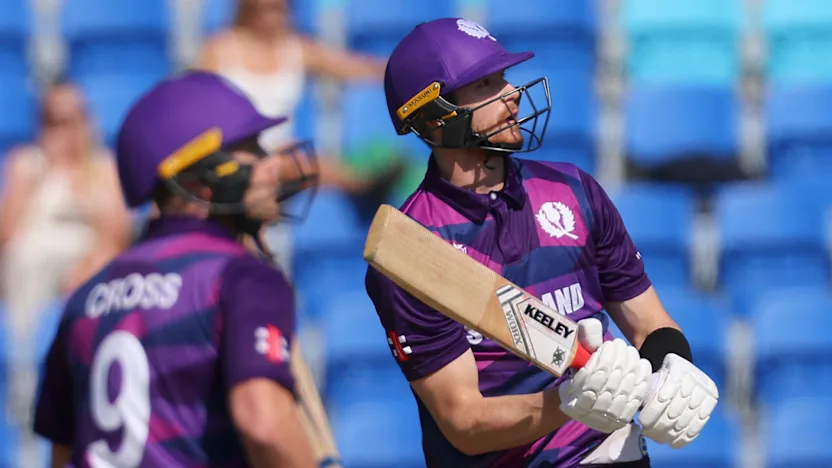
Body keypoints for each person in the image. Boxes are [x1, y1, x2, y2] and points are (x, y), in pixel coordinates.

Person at [365, 18, 720, 467]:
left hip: (608, 452)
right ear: (437, 118)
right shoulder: (413, 247)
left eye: (505, 79)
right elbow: (465, 424)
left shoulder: (574, 189)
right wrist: (569, 401)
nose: (511, 94)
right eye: (486, 85)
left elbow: (649, 321)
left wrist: (672, 367)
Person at [32, 70, 319, 468]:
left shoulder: (84, 299)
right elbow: (264, 423)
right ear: (198, 179)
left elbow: (61, 456)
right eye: (251, 148)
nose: (273, 166)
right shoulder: (240, 278)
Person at [197, 0, 404, 271]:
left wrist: (409, 69)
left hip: (279, 157)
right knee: (294, 159)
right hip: (233, 153)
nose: (275, 14)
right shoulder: (219, 50)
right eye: (267, 8)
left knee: (292, 157)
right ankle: (361, 183)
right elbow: (194, 106)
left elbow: (352, 67)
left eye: (280, 8)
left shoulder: (296, 48)